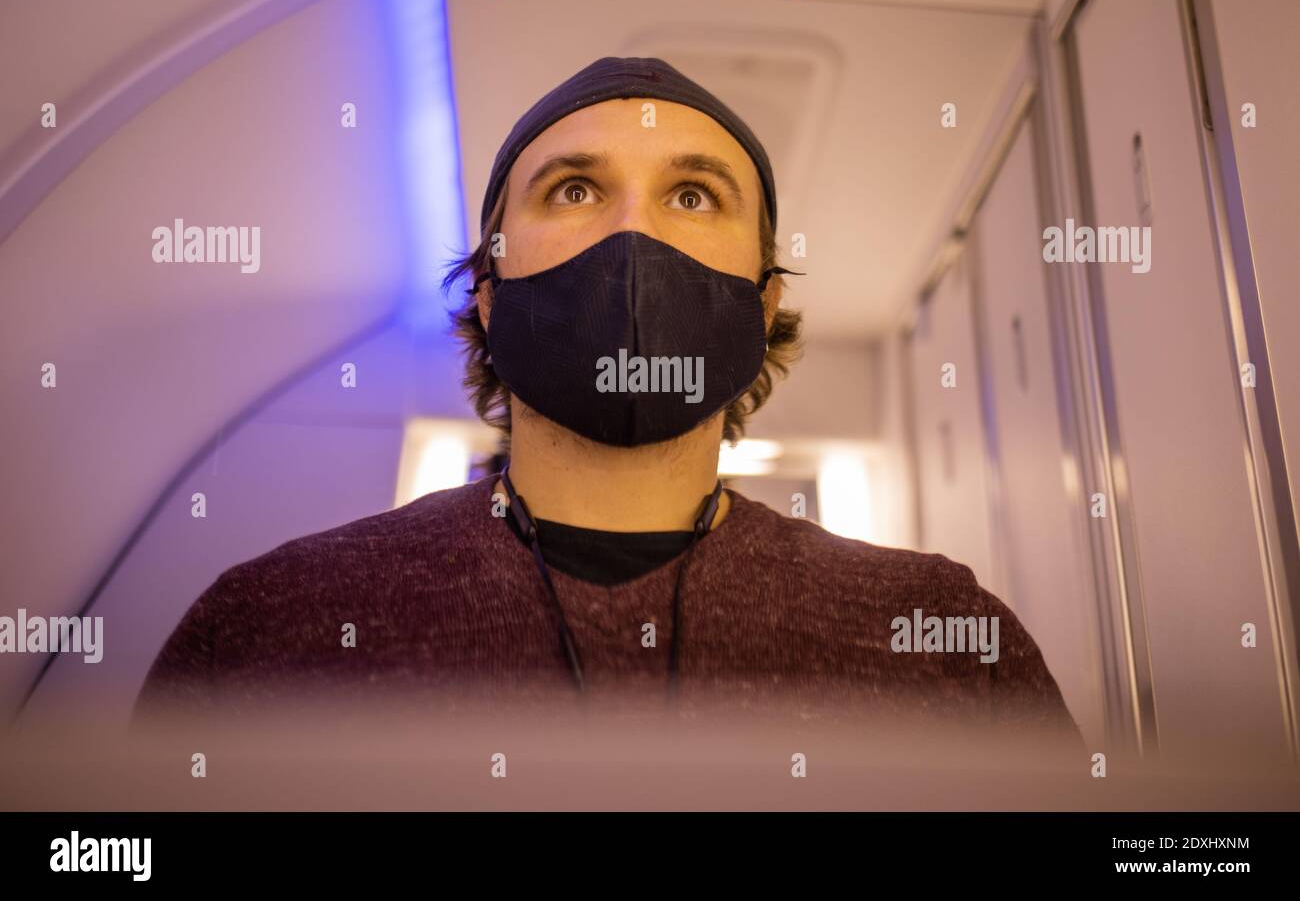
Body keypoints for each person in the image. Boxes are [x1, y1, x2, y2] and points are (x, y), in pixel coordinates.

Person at [133, 57, 1083, 753]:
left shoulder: (939, 632)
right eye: (577, 188)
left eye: (695, 197)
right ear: (492, 291)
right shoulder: (270, 624)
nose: (633, 234)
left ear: (763, 302)